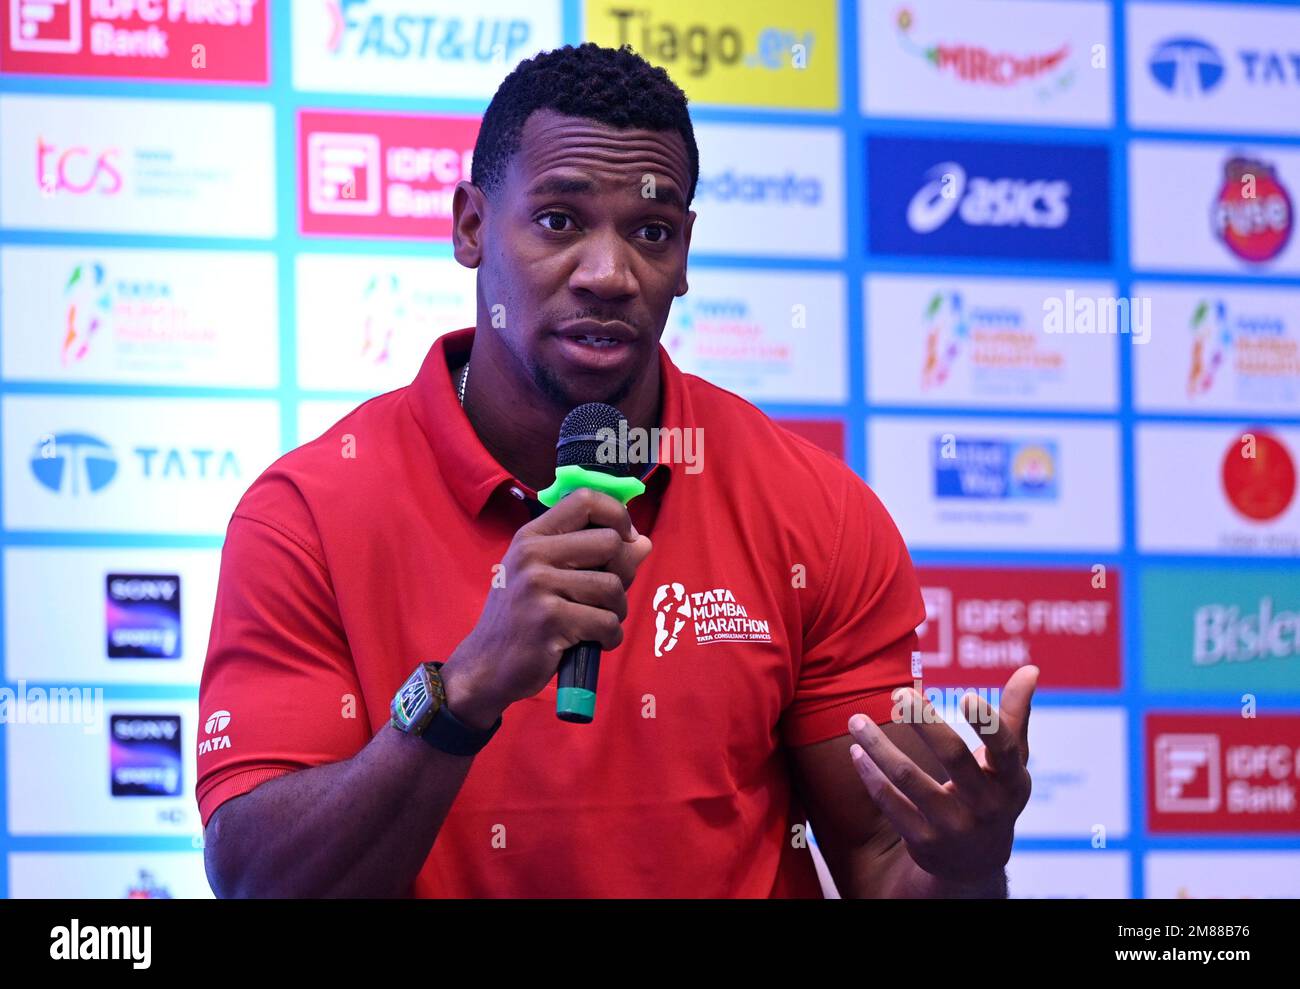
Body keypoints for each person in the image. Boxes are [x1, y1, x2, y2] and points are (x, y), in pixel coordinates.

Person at [197, 42, 1037, 898]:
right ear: (471, 227)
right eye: (560, 221)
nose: (609, 274)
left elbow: (881, 860)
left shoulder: (812, 509)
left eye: (651, 232)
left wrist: (965, 864)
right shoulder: (306, 512)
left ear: (684, 252)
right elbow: (259, 880)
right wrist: (461, 693)